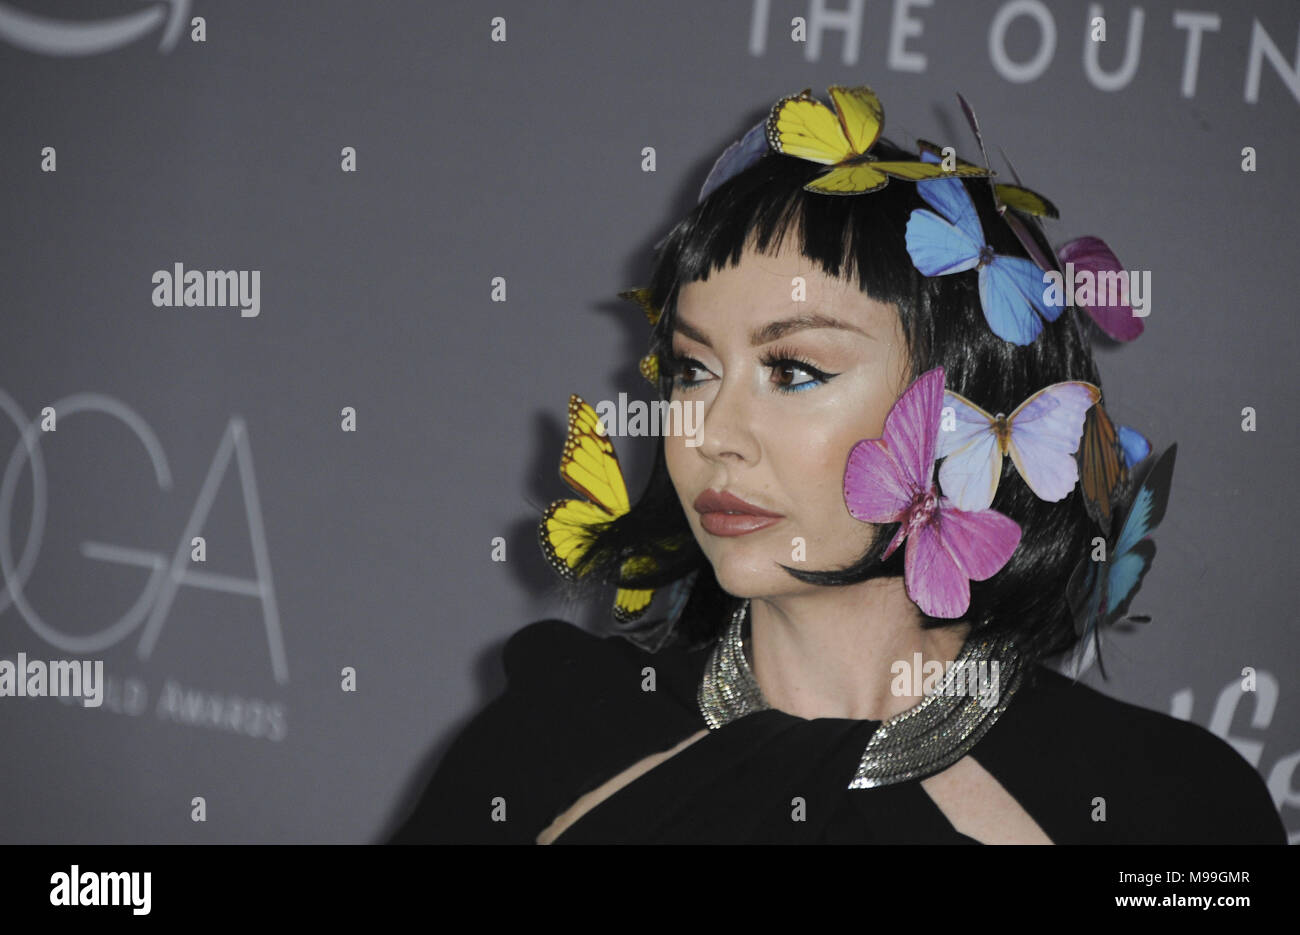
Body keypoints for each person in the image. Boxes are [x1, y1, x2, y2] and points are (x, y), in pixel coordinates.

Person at [386, 86, 1286, 844]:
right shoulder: (547, 746)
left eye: (793, 370)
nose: (711, 431)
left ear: (964, 406)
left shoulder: (1169, 807)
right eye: (695, 368)